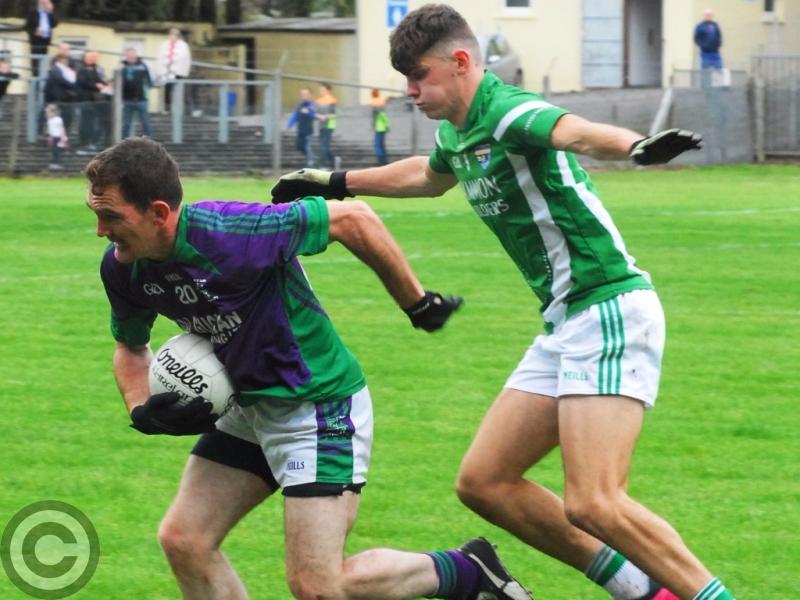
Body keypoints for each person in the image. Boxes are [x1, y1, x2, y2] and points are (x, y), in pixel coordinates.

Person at [270, 5, 736, 600]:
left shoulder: (507, 110)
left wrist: (638, 146)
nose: (410, 91)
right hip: (566, 320)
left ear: (460, 63)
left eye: (418, 76)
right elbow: (430, 176)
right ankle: (642, 590)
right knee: (485, 482)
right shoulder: (457, 132)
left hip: (609, 307)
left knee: (595, 499)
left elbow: (573, 129)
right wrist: (334, 182)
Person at [84, 136, 533, 600]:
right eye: (96, 213)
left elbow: (352, 219)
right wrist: (142, 410)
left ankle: (466, 571)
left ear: (159, 213)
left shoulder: (231, 231)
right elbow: (131, 348)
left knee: (317, 586)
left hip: (318, 406)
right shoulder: (123, 269)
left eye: (111, 216)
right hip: (250, 409)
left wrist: (415, 303)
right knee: (185, 541)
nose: (100, 230)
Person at [76, 50, 112, 153]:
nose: (92, 59)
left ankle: (93, 143)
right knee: (86, 123)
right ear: (85, 58)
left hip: (96, 100)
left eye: (93, 57)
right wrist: (96, 85)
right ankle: (85, 143)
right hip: (86, 100)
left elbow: (100, 81)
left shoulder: (96, 69)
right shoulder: (81, 69)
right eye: (90, 57)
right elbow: (82, 82)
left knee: (96, 122)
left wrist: (106, 85)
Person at [157, 27, 192, 114]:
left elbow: (186, 59)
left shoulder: (183, 46)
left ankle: (179, 109)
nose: (172, 37)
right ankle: (167, 108)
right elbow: (160, 58)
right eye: (171, 35)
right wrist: (160, 70)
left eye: (174, 35)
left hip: (178, 72)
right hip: (166, 72)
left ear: (177, 36)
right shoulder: (164, 44)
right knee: (167, 90)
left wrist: (184, 71)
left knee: (178, 91)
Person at [121, 47, 153, 138]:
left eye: (132, 54)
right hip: (127, 100)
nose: (131, 56)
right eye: (129, 55)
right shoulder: (123, 68)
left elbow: (149, 81)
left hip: (141, 100)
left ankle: (148, 142)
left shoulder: (143, 66)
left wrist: (145, 92)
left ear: (135, 55)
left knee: (145, 123)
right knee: (126, 124)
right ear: (126, 56)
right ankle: (124, 144)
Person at [43, 50, 76, 134]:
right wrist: (73, 85)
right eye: (65, 60)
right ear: (60, 60)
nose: (67, 62)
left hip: (64, 98)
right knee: (57, 118)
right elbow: (61, 80)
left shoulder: (64, 69)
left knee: (65, 118)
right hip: (58, 98)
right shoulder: (56, 69)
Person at [25, 0, 57, 77]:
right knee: (36, 66)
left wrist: (50, 12)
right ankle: (36, 81)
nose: (45, 5)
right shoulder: (33, 12)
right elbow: (26, 27)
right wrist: (34, 32)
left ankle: (41, 81)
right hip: (36, 43)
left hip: (45, 43)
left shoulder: (48, 13)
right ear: (39, 3)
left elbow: (55, 23)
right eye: (44, 3)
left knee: (43, 65)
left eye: (47, 3)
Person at [287, 87, 316, 167]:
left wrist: (308, 112)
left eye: (306, 94)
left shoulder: (312, 105)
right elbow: (295, 115)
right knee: (299, 146)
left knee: (307, 146)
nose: (304, 96)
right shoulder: (299, 105)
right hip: (300, 129)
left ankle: (310, 162)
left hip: (308, 130)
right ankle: (309, 159)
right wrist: (290, 125)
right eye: (302, 94)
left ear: (310, 95)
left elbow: (314, 115)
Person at [316, 82, 337, 169]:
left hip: (329, 125)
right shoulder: (319, 101)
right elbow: (316, 113)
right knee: (325, 146)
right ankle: (334, 160)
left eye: (323, 90)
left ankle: (322, 165)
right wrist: (317, 116)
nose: (321, 91)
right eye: (320, 90)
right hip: (321, 125)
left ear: (328, 90)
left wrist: (325, 117)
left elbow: (334, 114)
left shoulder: (332, 100)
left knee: (323, 146)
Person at [369, 88, 390, 165]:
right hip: (381, 127)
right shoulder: (380, 101)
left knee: (378, 146)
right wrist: (387, 125)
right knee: (381, 145)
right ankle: (384, 161)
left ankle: (382, 162)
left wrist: (386, 125)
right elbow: (383, 115)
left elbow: (382, 115)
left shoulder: (375, 102)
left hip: (379, 127)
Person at [45, 102, 67, 170]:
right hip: (53, 137)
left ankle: (58, 163)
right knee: (53, 151)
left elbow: (61, 128)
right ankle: (54, 163)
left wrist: (63, 136)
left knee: (57, 151)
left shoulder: (58, 119)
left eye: (49, 112)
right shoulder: (50, 120)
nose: (47, 114)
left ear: (53, 112)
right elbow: (50, 129)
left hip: (58, 137)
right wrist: (50, 137)